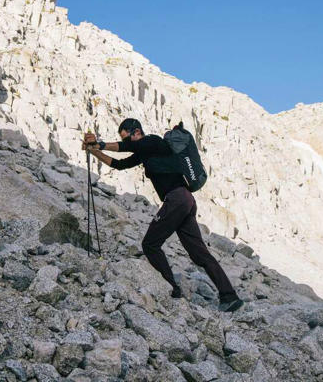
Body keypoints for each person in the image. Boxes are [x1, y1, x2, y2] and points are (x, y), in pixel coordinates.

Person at [82, 118, 244, 312]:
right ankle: (229, 296)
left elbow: (128, 147)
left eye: (128, 138)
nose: (128, 142)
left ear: (136, 132)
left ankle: (172, 289)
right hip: (185, 201)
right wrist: (94, 151)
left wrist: (98, 143)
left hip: (176, 200)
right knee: (198, 252)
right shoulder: (144, 152)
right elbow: (119, 165)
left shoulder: (152, 141)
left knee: (149, 244)